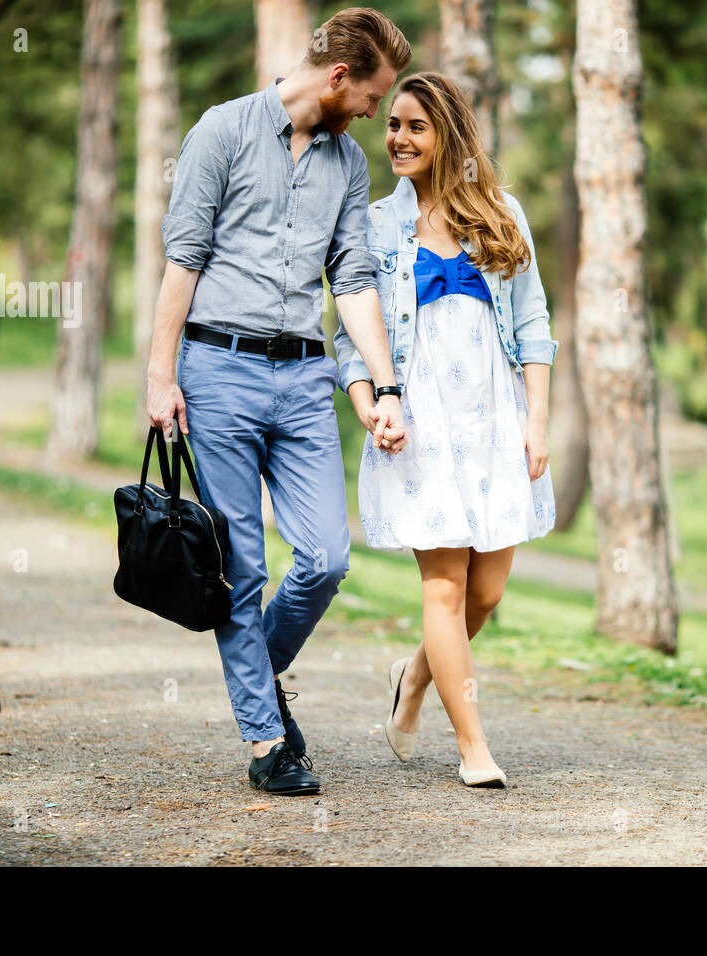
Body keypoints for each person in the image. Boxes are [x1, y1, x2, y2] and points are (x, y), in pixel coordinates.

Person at [145, 8, 412, 797]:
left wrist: (384, 386)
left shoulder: (348, 163)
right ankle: (267, 740)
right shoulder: (221, 133)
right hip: (217, 370)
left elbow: (354, 280)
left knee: (327, 557)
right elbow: (182, 261)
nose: (375, 113)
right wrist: (163, 377)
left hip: (302, 382)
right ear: (338, 78)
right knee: (244, 567)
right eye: (372, 96)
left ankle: (255, 677)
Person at [333, 73, 559, 788]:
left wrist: (538, 419)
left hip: (495, 420)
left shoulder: (502, 213)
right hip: (420, 423)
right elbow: (349, 337)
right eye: (392, 124)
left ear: (448, 135)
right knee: (444, 589)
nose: (396, 137)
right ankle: (473, 747)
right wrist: (370, 402)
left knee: (485, 593)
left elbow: (532, 326)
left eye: (414, 127)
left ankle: (414, 677)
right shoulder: (372, 224)